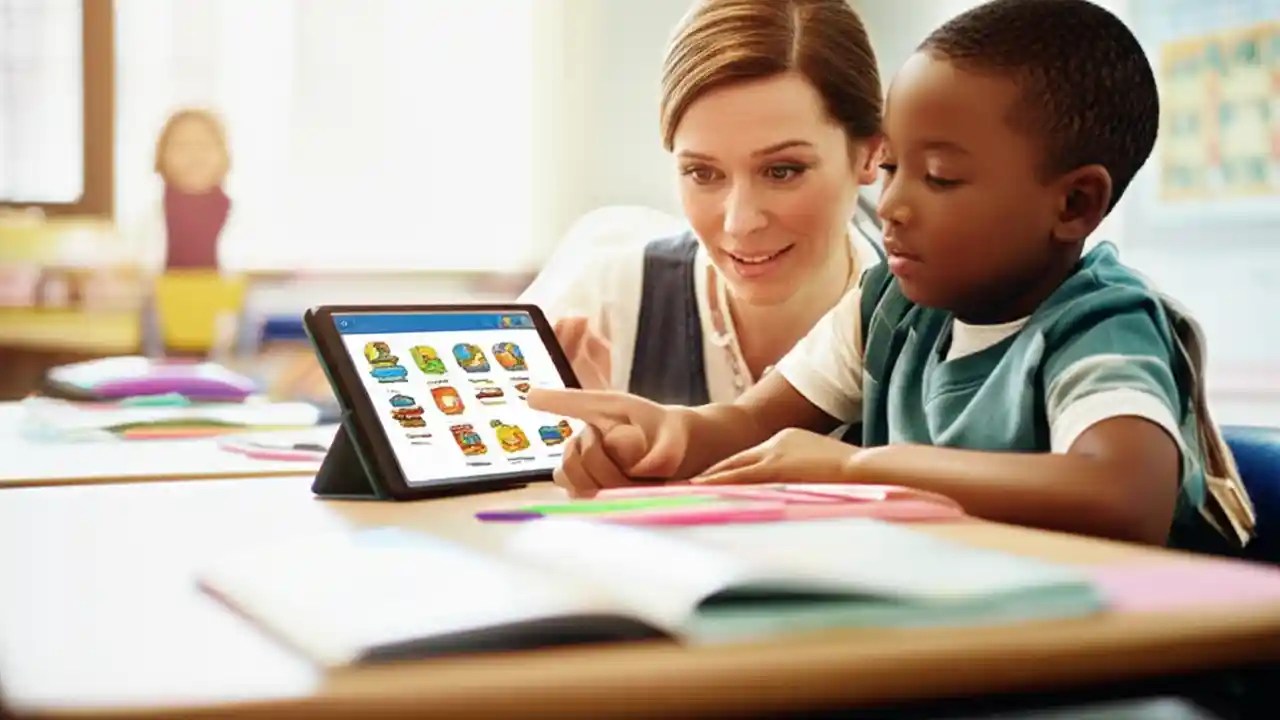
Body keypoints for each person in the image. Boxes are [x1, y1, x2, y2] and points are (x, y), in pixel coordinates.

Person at [530, 0, 1256, 551]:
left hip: (1120, 656)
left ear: (1075, 203)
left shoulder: (1100, 325)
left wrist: (858, 469)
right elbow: (750, 423)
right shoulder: (889, 305)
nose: (894, 203)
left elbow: (1123, 493)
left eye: (938, 177)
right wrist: (669, 434)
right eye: (896, 167)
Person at [520, 0, 885, 405]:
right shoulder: (606, 302)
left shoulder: (921, 327)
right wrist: (560, 444)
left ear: (870, 154)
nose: (739, 223)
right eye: (703, 173)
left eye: (782, 171)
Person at [123, 107, 244, 273]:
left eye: (204, 145)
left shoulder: (247, 223)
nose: (194, 155)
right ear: (161, 157)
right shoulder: (140, 225)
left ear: (224, 155)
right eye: (182, 146)